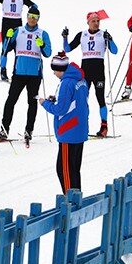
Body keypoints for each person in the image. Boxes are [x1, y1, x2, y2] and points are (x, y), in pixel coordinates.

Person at [0, 7, 52, 146]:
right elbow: (6, 49)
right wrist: (8, 37)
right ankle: (4, 129)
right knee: (11, 100)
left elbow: (47, 53)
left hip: (34, 74)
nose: (32, 19)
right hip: (19, 73)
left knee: (32, 102)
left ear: (38, 19)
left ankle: (29, 130)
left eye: (35, 17)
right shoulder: (19, 30)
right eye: (30, 16)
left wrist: (42, 44)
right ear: (26, 16)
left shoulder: (43, 33)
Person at [62, 12, 118, 137]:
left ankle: (104, 126)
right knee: (82, 99)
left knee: (100, 98)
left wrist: (110, 39)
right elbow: (67, 49)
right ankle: (82, 124)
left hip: (98, 71)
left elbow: (114, 51)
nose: (96, 23)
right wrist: (64, 37)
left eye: (98, 21)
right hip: (85, 72)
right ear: (88, 22)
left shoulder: (103, 34)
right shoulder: (82, 34)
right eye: (93, 21)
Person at [41, 53, 89, 192]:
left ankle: (70, 203)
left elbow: (61, 109)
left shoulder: (66, 82)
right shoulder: (80, 79)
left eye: (55, 70)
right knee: (74, 169)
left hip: (69, 130)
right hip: (79, 129)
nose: (54, 73)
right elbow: (75, 102)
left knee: (64, 170)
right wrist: (56, 99)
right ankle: (76, 197)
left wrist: (45, 104)